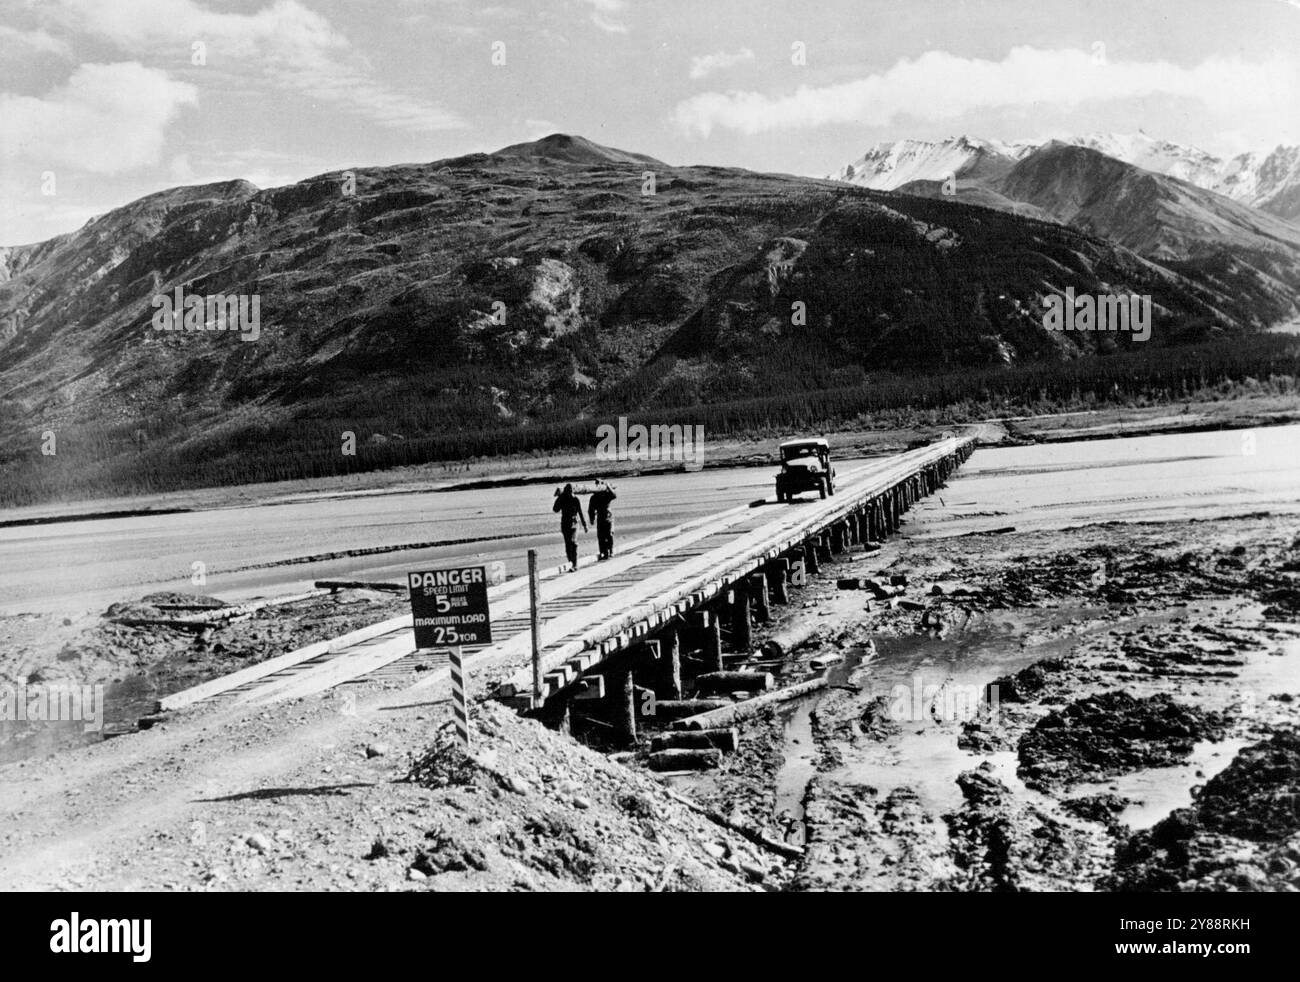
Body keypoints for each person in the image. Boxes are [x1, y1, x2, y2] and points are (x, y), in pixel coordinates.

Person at [553, 483, 587, 571]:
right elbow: (555, 509)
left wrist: (584, 525)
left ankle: (575, 564)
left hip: (574, 524)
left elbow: (580, 512)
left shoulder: (575, 499)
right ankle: (571, 563)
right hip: (565, 524)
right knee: (568, 545)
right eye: (569, 492)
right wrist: (559, 498)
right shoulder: (562, 498)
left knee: (573, 543)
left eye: (572, 491)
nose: (570, 494)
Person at [588, 479, 617, 561]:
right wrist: (592, 518)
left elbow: (614, 495)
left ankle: (611, 550)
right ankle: (603, 552)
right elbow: (591, 509)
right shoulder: (594, 497)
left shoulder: (606, 494)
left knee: (610, 535)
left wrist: (608, 486)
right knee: (601, 537)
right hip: (600, 518)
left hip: (608, 517)